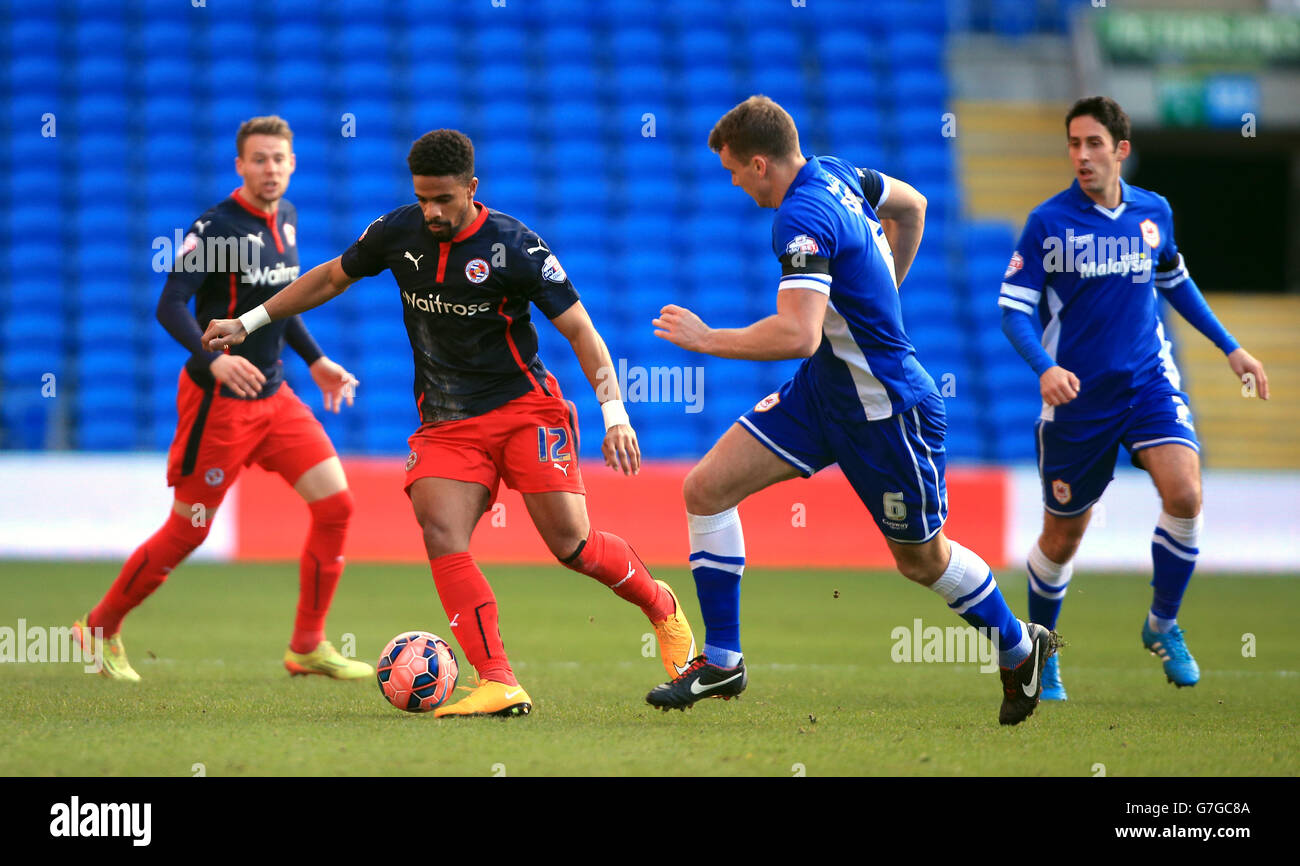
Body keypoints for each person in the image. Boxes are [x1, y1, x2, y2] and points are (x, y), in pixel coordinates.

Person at [202, 128, 696, 718]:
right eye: (423, 198)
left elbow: (582, 332)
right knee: (441, 532)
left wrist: (614, 414)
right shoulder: (397, 232)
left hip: (525, 410)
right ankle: (499, 681)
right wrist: (249, 321)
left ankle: (660, 605)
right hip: (447, 422)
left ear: (472, 189)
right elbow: (332, 276)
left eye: (444, 199)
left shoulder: (516, 247)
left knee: (572, 545)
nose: (432, 211)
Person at [647, 95, 1057, 726]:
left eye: (733, 170)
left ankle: (1019, 647)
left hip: (888, 410)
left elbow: (798, 334)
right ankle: (724, 660)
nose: (732, 183)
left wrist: (707, 340)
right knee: (705, 489)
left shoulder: (800, 215)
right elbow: (913, 206)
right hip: (824, 392)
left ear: (761, 164)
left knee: (921, 561)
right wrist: (882, 287)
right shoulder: (837, 172)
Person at [73, 115, 370, 682]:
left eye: (279, 159)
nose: (270, 169)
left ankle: (307, 645)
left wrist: (317, 362)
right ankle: (99, 626)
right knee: (189, 529)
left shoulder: (286, 217)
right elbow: (171, 305)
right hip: (219, 402)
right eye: (259, 159)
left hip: (275, 394)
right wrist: (215, 357)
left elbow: (278, 303)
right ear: (240, 165)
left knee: (336, 506)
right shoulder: (217, 228)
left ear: (293, 164)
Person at [998, 96, 1269, 698]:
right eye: (1073, 143)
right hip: (1078, 399)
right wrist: (1044, 367)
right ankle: (1043, 648)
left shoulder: (1154, 213)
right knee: (1063, 537)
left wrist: (1232, 348)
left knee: (1185, 492)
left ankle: (1162, 624)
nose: (1082, 156)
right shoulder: (1048, 222)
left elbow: (1174, 281)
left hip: (1148, 381)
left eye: (1094, 143)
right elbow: (1012, 309)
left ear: (1121, 149)